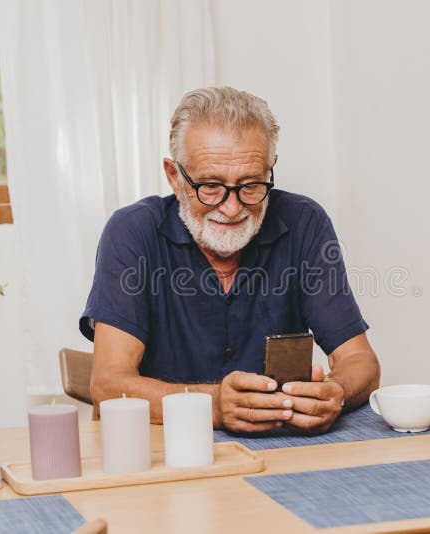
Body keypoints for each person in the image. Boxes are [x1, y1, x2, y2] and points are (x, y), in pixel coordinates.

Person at [80, 86, 380, 435]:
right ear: (175, 176)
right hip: (167, 452)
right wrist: (214, 406)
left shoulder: (304, 222)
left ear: (271, 168)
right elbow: (107, 385)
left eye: (251, 185)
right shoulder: (132, 232)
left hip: (285, 452)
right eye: (210, 186)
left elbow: (361, 362)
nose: (232, 207)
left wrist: (336, 393)